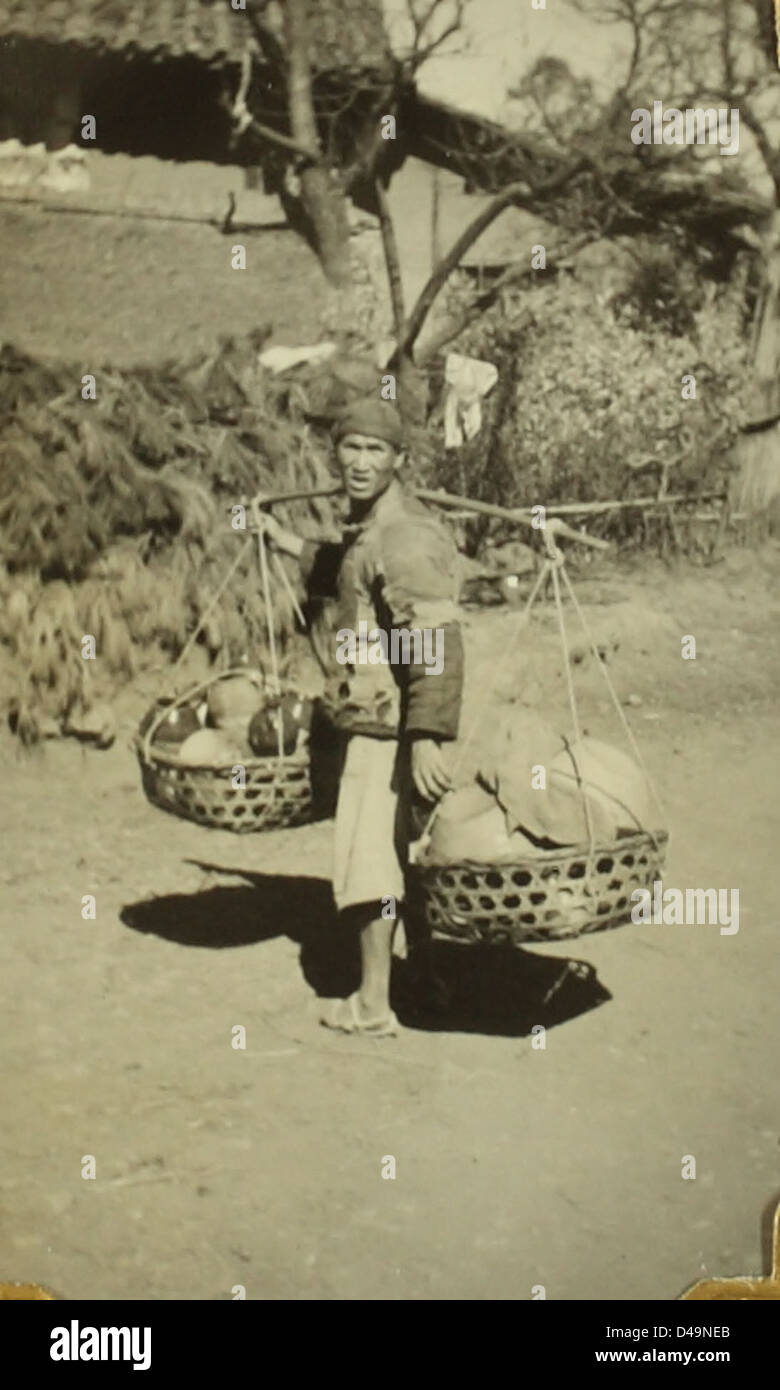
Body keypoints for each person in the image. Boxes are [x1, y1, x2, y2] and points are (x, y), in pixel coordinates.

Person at [256, 397, 464, 1036]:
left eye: (377, 451)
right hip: (380, 714)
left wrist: (427, 736)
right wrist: (283, 540)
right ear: (335, 453)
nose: (361, 462)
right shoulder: (370, 529)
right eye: (352, 448)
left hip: (388, 724)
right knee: (403, 853)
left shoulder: (404, 536)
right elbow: (350, 573)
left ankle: (373, 1004)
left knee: (368, 857)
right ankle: (425, 980)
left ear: (399, 461)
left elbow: (433, 636)